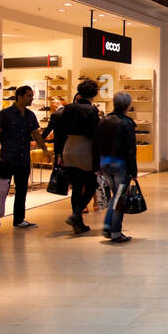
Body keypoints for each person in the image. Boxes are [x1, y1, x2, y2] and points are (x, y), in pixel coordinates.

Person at [0, 86, 48, 236]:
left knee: (22, 191)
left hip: (23, 160)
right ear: (19, 97)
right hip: (7, 159)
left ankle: (19, 219)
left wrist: (45, 149)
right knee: (1, 192)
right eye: (29, 96)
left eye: (32, 96)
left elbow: (36, 134)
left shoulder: (30, 115)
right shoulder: (5, 114)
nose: (31, 98)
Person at [53, 78, 101, 235]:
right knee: (91, 184)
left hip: (69, 147)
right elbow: (95, 133)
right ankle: (76, 214)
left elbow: (60, 131)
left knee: (76, 187)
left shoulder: (68, 109)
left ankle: (78, 221)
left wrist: (58, 152)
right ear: (94, 94)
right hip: (85, 148)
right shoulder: (92, 110)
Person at [96, 91, 138, 244]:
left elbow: (96, 144)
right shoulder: (127, 123)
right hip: (120, 165)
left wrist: (96, 164)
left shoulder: (103, 121)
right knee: (120, 197)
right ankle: (115, 232)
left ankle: (108, 225)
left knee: (116, 195)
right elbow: (131, 149)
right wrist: (133, 171)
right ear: (127, 105)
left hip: (105, 164)